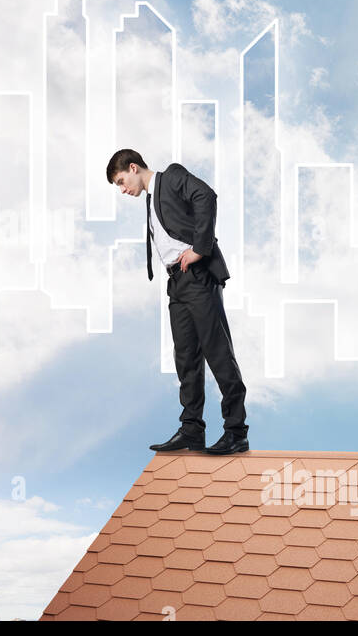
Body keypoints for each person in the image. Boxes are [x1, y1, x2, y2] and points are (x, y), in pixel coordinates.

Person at [106, 149, 250, 454]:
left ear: (133, 167)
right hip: (178, 282)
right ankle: (191, 430)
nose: (122, 189)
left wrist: (201, 247)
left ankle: (236, 432)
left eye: (121, 181)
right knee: (186, 358)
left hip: (198, 275)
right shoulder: (149, 199)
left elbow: (206, 196)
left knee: (218, 352)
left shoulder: (171, 176)